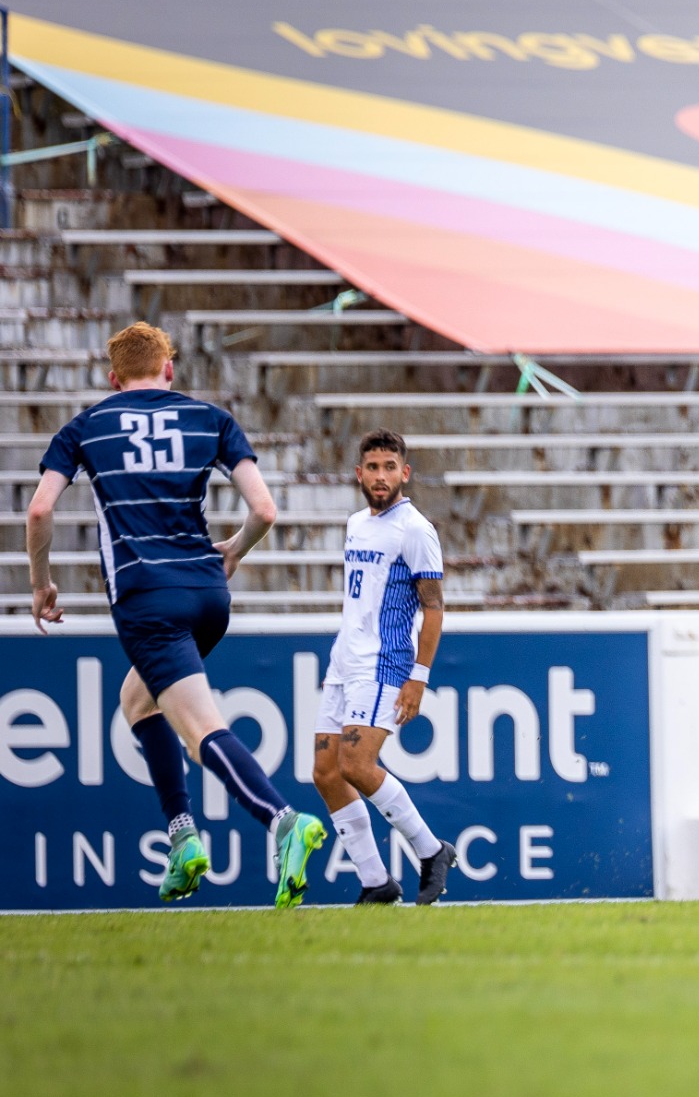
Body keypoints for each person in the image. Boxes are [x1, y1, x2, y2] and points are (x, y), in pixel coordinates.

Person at [27, 322, 326, 906]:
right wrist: (235, 550)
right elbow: (263, 509)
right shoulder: (209, 418)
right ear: (169, 369)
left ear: (114, 379)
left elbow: (39, 511)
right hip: (209, 595)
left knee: (200, 730)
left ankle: (283, 820)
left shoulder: (87, 427)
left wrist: (41, 585)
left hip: (148, 600)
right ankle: (183, 838)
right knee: (137, 701)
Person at [311, 429, 456, 906]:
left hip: (383, 663)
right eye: (372, 467)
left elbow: (433, 607)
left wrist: (419, 675)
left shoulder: (414, 529)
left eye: (389, 467)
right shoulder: (356, 524)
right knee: (326, 773)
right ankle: (376, 882)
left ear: (404, 473)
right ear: (359, 473)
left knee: (356, 764)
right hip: (343, 662)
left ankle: (432, 851)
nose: (380, 476)